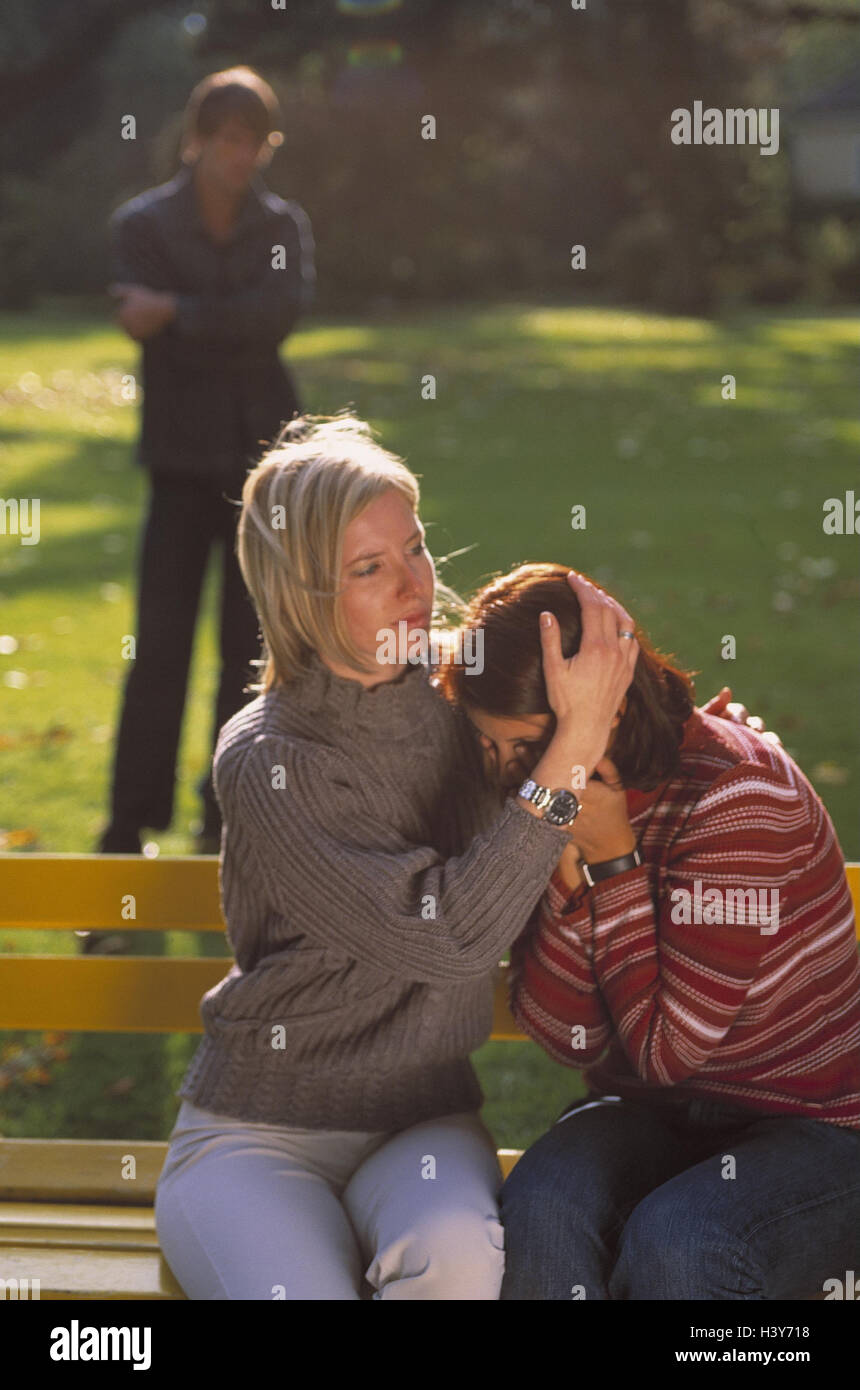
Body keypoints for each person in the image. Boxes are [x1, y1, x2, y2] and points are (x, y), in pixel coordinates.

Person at [153, 412, 645, 1300]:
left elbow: (619, 739)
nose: (415, 585)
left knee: (458, 1264)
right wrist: (570, 750)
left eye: (414, 549)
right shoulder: (270, 758)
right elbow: (448, 937)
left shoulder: (469, 689)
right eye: (368, 569)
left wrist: (714, 744)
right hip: (257, 1131)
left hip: (421, 1123)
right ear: (303, 594)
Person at [436, 561, 860, 1301]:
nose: (515, 780)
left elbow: (665, 1053)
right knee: (543, 1206)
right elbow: (563, 1033)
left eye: (529, 747)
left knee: (683, 1244)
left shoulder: (737, 798)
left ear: (608, 711)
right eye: (490, 748)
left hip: (815, 1129)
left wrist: (612, 862)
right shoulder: (555, 797)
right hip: (654, 1115)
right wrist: (569, 872)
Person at [96, 66, 314, 862]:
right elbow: (142, 316)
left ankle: (226, 814)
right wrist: (217, 325)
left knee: (248, 651)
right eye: (228, 139)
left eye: (254, 141)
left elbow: (276, 317)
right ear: (199, 139)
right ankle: (127, 822)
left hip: (260, 468)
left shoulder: (282, 225)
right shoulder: (143, 223)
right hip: (180, 462)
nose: (240, 155)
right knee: (159, 646)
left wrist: (178, 314)